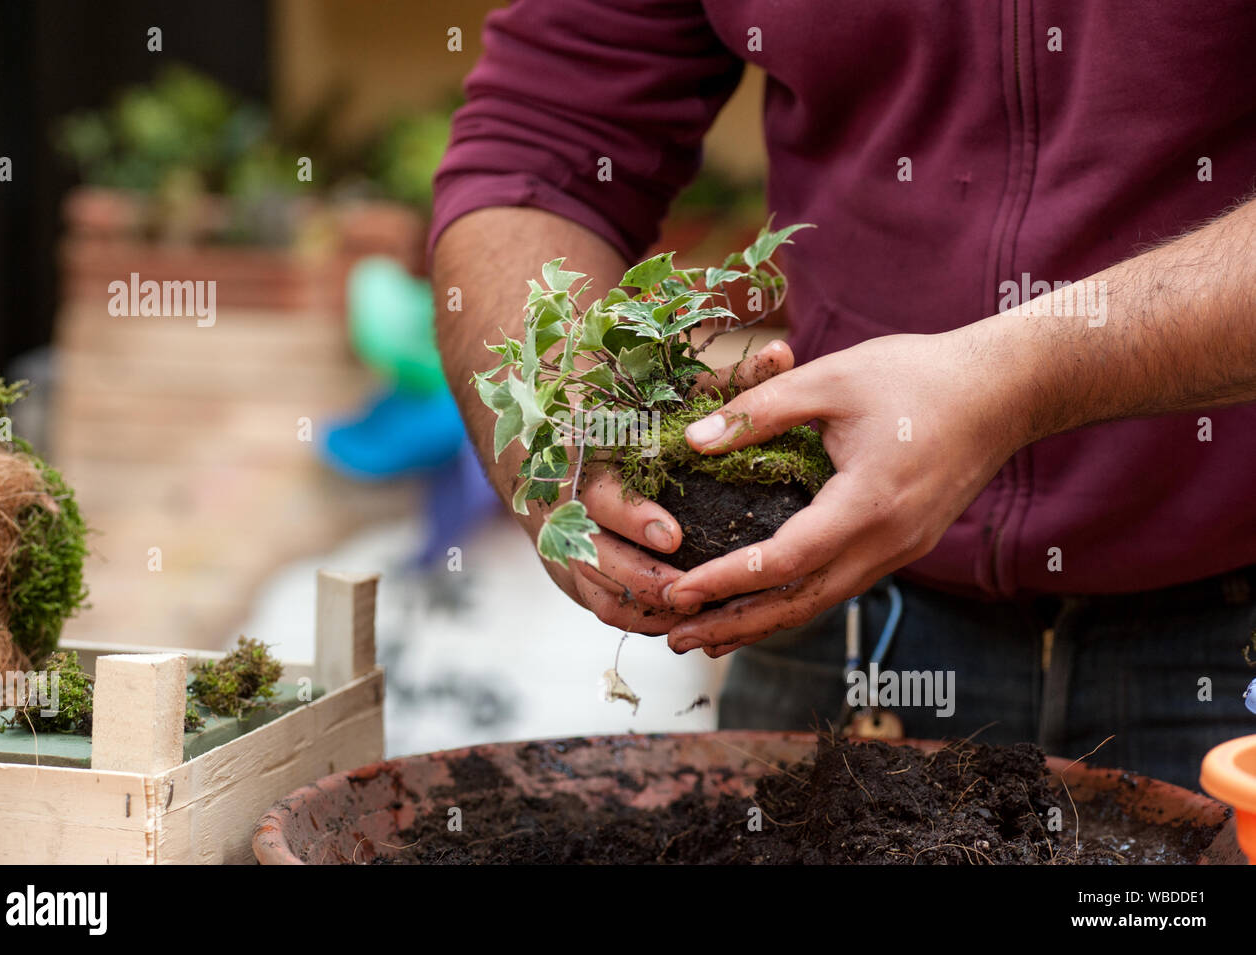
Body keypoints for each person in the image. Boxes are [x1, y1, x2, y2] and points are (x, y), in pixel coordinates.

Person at [428, 0, 1256, 788]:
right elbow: (535, 149)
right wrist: (562, 433)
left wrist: (1012, 378)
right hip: (836, 616)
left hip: (1226, 633)